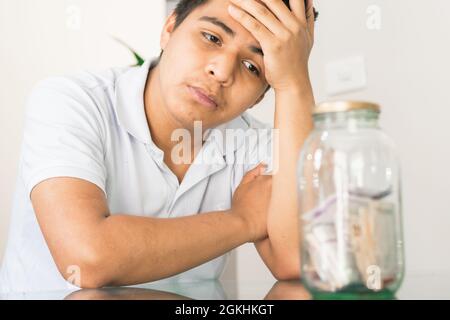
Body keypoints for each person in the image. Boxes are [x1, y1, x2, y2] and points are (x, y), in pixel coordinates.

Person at [0, 0, 316, 293]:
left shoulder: (255, 144)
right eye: (211, 37)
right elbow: (88, 259)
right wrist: (243, 220)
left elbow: (297, 262)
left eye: (252, 67)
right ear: (169, 29)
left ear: (261, 95)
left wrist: (294, 83)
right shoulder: (71, 101)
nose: (220, 72)